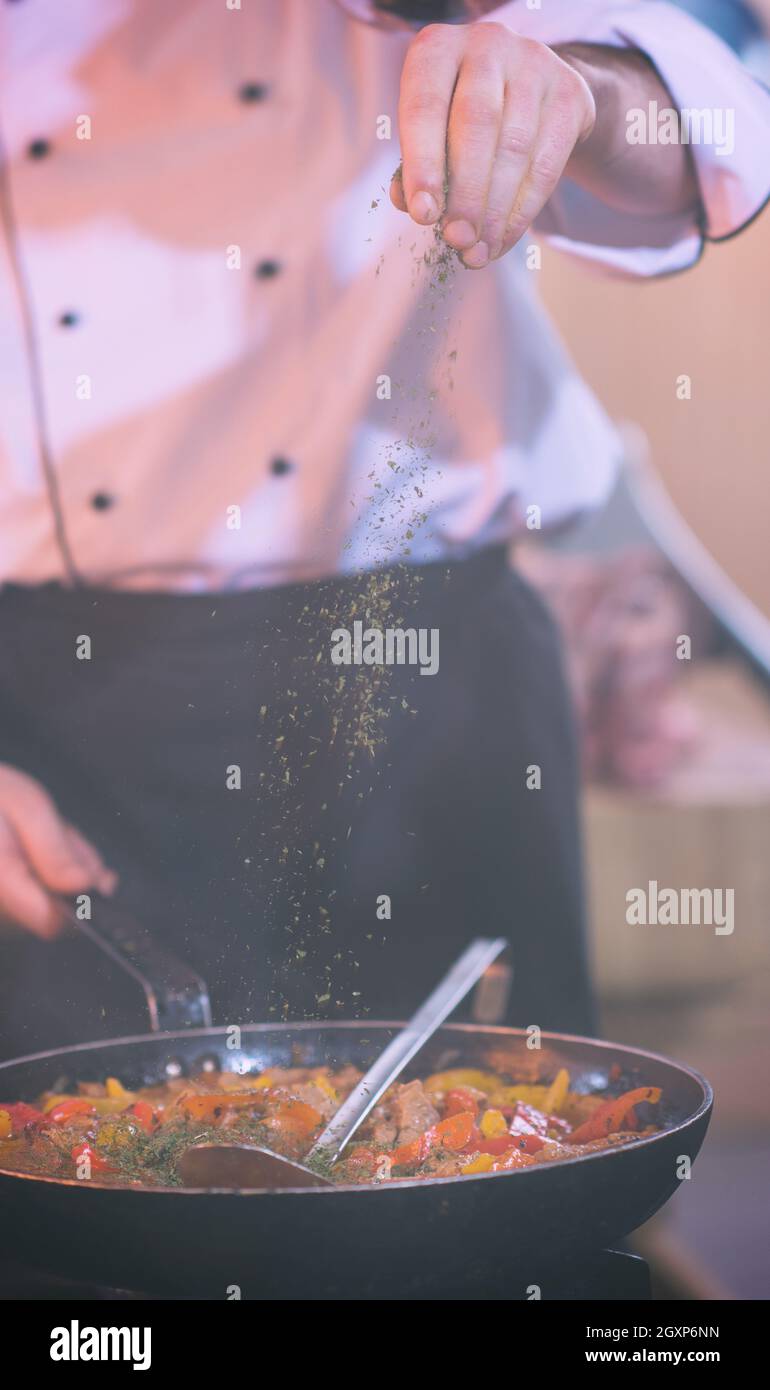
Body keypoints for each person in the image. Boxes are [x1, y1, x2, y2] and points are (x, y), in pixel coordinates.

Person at [0, 0, 767, 1056]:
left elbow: (699, 110)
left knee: (505, 1158)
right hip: (55, 726)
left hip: (430, 690)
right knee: (70, 1182)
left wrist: (573, 93)